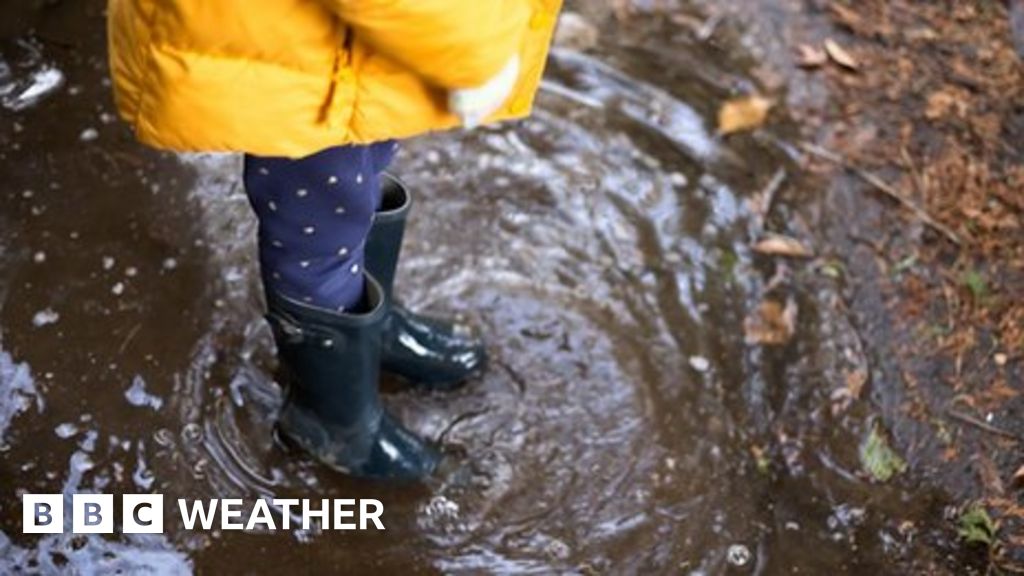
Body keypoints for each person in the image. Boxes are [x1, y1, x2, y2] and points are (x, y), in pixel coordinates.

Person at [107, 0, 561, 480]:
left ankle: (371, 333)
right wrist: (471, 54)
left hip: (353, 52)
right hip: (297, 54)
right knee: (320, 222)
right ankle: (330, 420)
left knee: (363, 169)